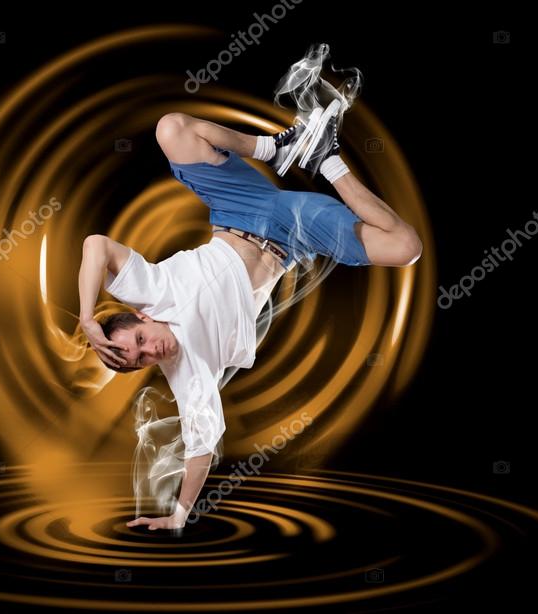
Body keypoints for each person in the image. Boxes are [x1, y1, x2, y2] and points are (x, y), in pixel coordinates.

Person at [78, 100, 421, 530]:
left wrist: (87, 318)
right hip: (292, 234)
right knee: (406, 248)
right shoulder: (189, 373)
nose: (152, 351)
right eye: (141, 360)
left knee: (171, 128)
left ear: (141, 317)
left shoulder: (151, 292)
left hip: (238, 207)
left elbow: (96, 245)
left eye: (141, 341)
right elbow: (200, 450)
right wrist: (179, 516)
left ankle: (276, 148)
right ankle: (327, 160)